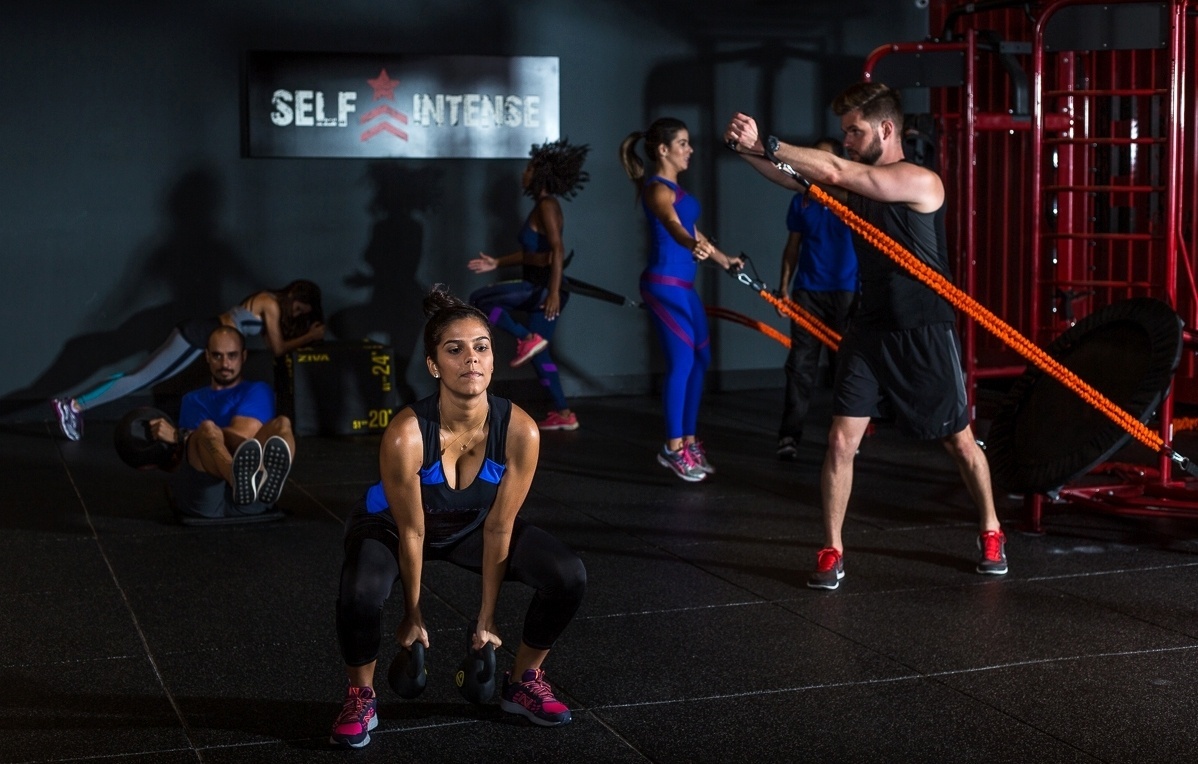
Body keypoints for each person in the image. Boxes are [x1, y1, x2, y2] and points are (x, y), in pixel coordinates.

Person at [723, 82, 1007, 589]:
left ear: (886, 129)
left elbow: (833, 169)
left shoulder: (921, 181)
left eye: (854, 131)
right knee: (839, 441)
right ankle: (831, 548)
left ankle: (991, 527)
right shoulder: (857, 183)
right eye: (845, 132)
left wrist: (767, 140)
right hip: (868, 326)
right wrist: (746, 151)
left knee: (960, 442)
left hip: (922, 327)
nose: (848, 140)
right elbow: (795, 180)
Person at [329, 286, 586, 748]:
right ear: (434, 365)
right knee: (361, 591)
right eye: (455, 349)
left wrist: (486, 619)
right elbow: (412, 531)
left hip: (471, 521)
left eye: (481, 347)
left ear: (492, 359)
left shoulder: (520, 430)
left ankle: (523, 680)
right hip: (393, 525)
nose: (471, 359)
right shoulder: (407, 435)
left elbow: (499, 525)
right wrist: (413, 616)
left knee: (568, 574)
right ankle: (360, 694)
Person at [619, 118, 743, 482]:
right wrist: (693, 246)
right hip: (663, 285)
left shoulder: (676, 189)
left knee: (700, 359)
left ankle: (688, 441)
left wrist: (723, 260)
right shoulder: (657, 190)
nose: (690, 150)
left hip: (684, 287)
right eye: (684, 144)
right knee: (683, 362)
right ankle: (672, 449)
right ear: (663, 150)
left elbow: (690, 229)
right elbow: (675, 229)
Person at [52, 280, 324, 441]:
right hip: (200, 334)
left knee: (138, 375)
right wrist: (309, 336)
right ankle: (74, 405)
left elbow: (269, 342)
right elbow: (277, 348)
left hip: (201, 333)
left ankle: (74, 405)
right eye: (300, 309)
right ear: (294, 296)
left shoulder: (267, 305)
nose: (297, 313)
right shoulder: (271, 302)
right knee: (139, 379)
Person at [467, 138, 590, 432]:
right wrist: (498, 262)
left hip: (542, 291)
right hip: (545, 289)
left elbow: (557, 251)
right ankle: (563, 412)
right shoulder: (544, 206)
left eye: (527, 169)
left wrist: (554, 293)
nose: (524, 174)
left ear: (539, 173)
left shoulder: (546, 206)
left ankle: (525, 336)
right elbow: (536, 254)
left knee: (479, 299)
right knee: (540, 353)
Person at [129, 325, 297, 521]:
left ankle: (257, 480)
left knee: (282, 424)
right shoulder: (191, 399)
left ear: (243, 356)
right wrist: (154, 456)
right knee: (206, 430)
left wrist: (180, 435)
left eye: (232, 356)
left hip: (252, 498)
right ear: (207, 356)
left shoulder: (258, 390)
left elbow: (244, 437)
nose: (225, 363)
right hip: (206, 499)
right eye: (217, 356)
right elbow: (185, 458)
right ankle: (236, 478)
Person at [775, 138, 858, 462]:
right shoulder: (802, 201)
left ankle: (847, 440)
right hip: (808, 292)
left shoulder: (852, 200)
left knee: (846, 370)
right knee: (800, 367)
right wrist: (784, 287)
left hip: (846, 293)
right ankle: (789, 437)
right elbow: (792, 247)